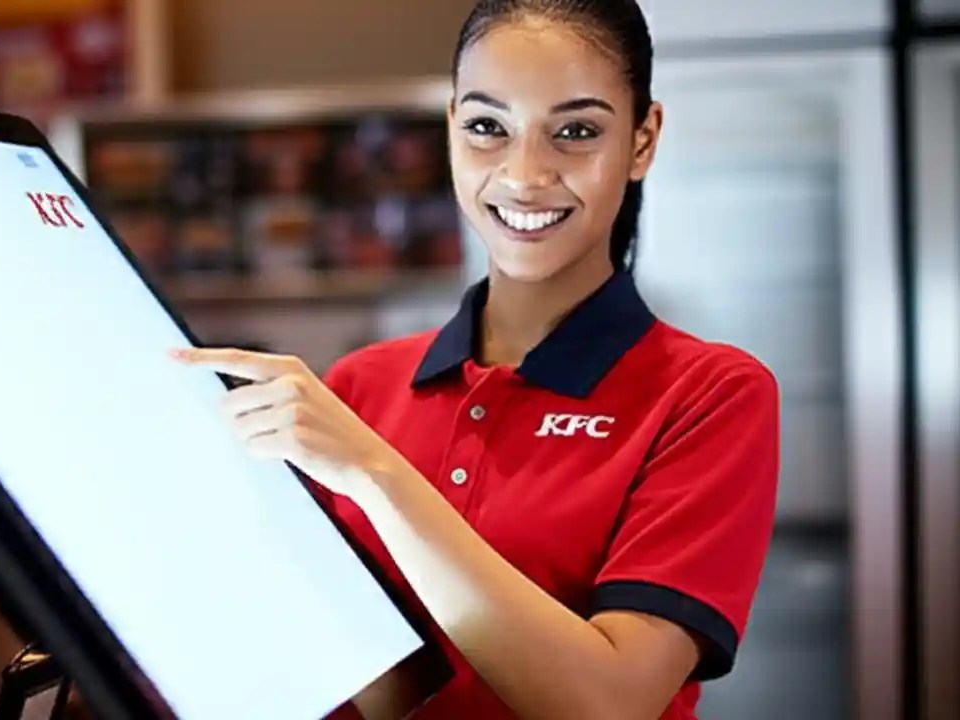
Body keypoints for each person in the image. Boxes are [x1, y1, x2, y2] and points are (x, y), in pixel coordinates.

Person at [172, 1, 780, 718]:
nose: (524, 175)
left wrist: (376, 475)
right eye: (488, 127)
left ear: (642, 141)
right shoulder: (359, 387)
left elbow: (608, 705)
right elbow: (355, 683)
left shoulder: (710, 395)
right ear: (452, 125)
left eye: (576, 131)